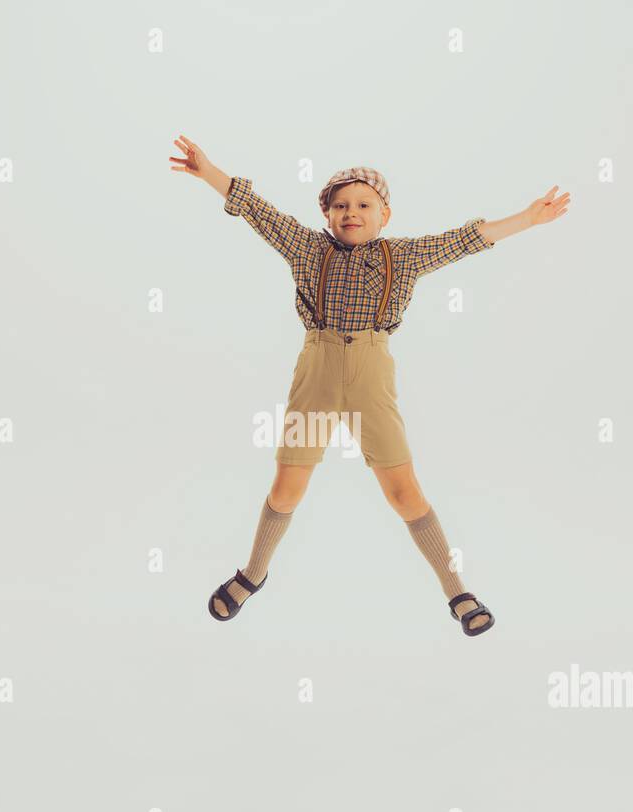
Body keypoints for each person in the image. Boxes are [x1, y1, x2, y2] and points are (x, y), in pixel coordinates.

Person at [169, 134, 569, 637]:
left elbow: (466, 240)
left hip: (371, 375)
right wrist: (209, 172)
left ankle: (457, 590)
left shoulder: (401, 258)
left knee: (404, 493)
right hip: (317, 370)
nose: (351, 212)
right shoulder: (308, 248)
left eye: (363, 204)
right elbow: (257, 210)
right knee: (286, 489)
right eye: (339, 205)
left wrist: (527, 219)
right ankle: (252, 574)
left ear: (385, 216)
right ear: (327, 215)